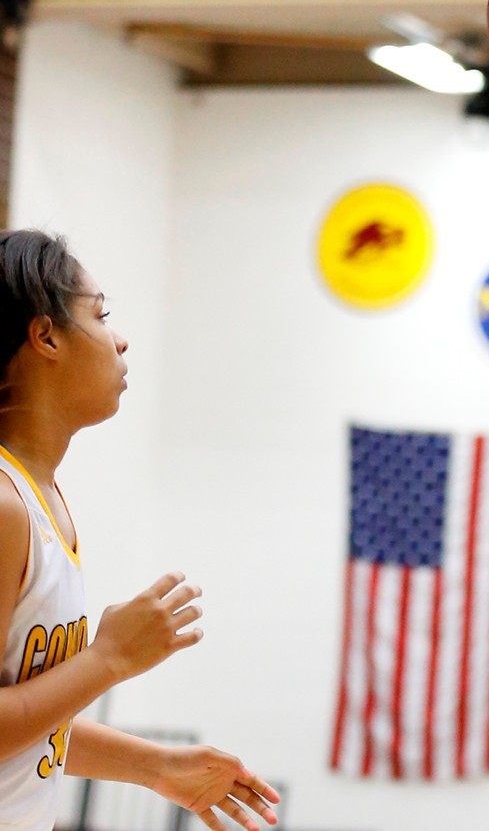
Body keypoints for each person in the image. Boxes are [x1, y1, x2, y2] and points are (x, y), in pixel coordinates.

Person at [0, 230, 280, 831]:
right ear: (45, 335)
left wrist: (153, 767)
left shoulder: (42, 498)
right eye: (100, 315)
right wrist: (107, 659)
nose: (120, 338)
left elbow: (25, 723)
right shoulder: (4, 506)